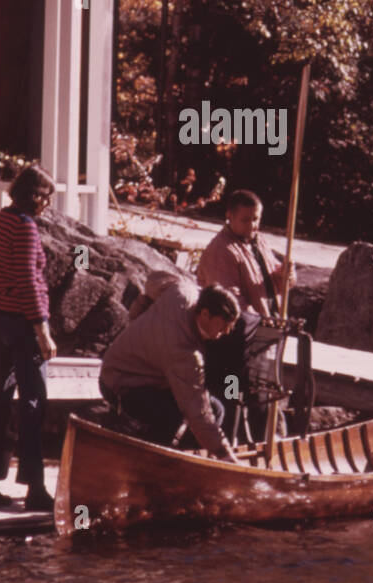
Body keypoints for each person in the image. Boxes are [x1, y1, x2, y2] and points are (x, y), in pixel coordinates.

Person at [0, 163, 57, 510]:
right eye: (46, 199)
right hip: (23, 324)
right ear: (35, 197)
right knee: (33, 402)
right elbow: (28, 282)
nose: (47, 206)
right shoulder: (25, 228)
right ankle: (34, 487)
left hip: (0, 319)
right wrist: (43, 331)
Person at [99, 280, 242, 462]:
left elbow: (154, 280)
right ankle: (146, 465)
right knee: (172, 416)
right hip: (120, 381)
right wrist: (224, 452)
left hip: (148, 375)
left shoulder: (183, 291)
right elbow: (196, 408)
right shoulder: (183, 351)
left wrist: (138, 312)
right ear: (205, 315)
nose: (227, 332)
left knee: (217, 409)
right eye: (223, 326)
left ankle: (182, 459)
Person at [197, 189, 295, 317]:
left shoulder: (259, 241)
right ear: (229, 216)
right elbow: (230, 302)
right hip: (247, 329)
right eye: (245, 220)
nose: (252, 225)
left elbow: (277, 283)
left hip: (272, 319)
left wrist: (284, 274)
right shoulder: (220, 251)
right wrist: (261, 323)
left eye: (256, 219)